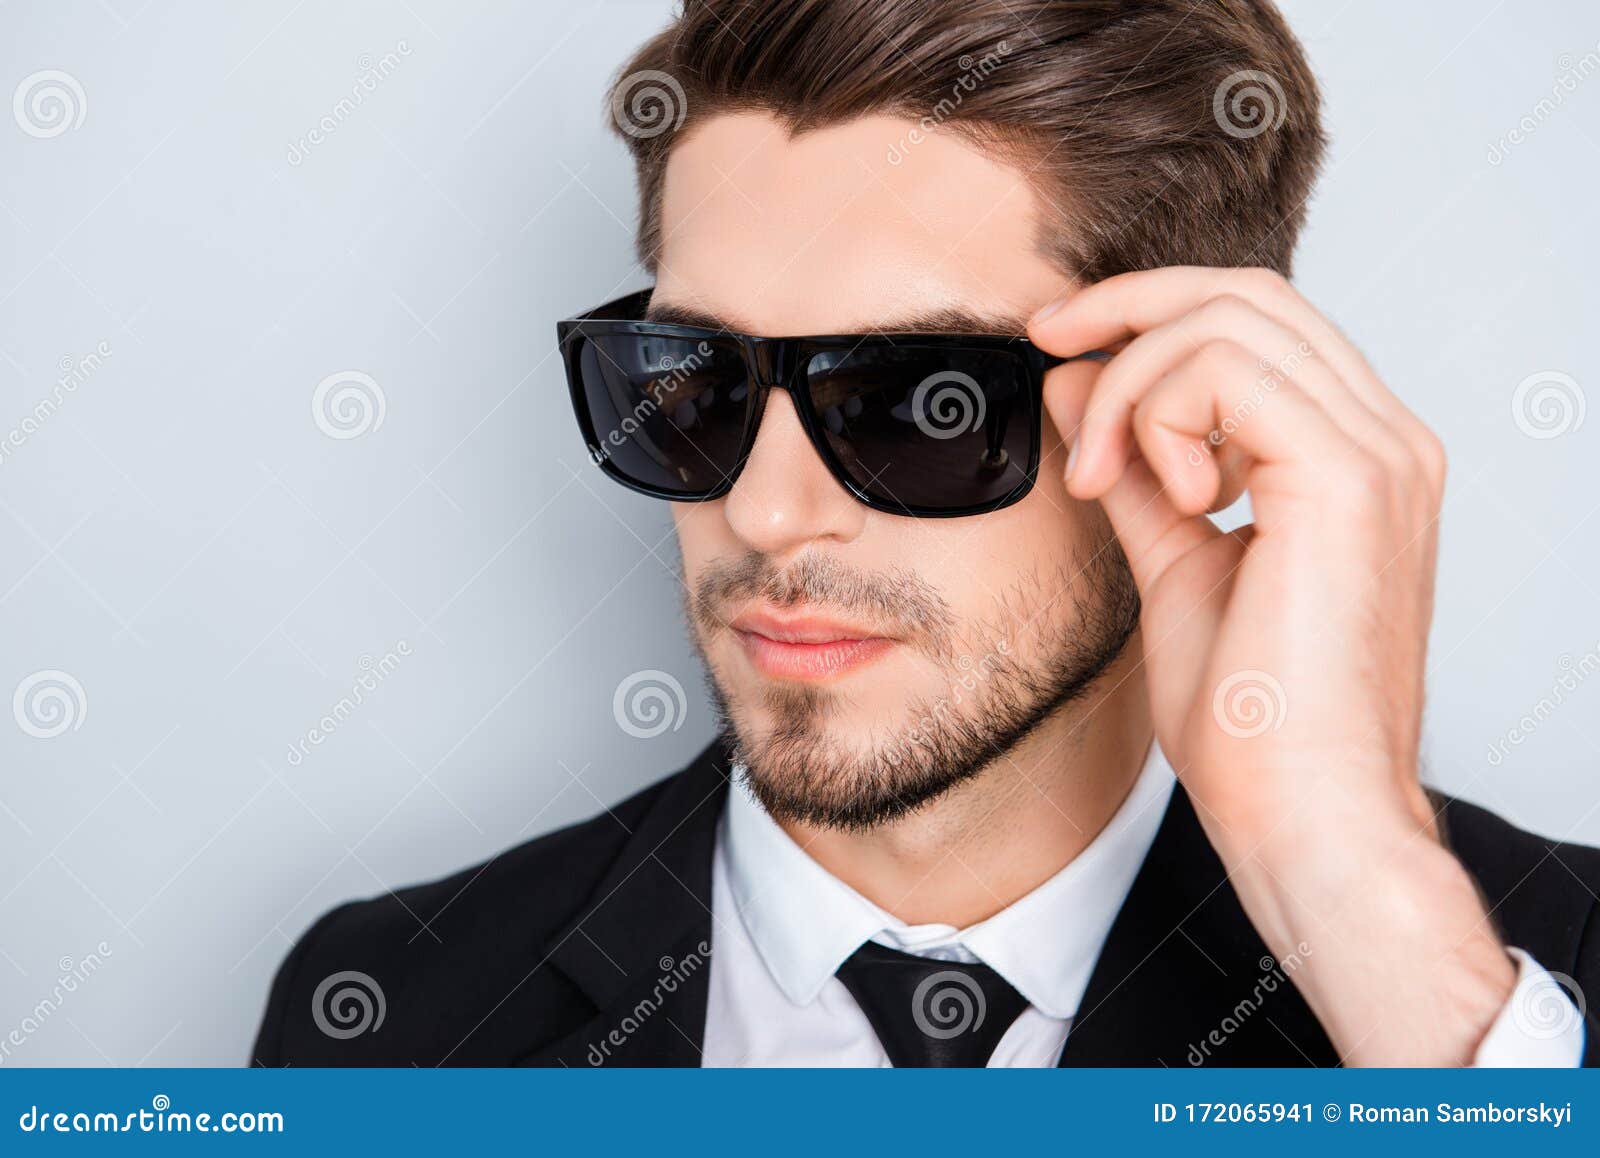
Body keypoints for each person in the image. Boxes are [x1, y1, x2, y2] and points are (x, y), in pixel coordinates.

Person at [253, 0, 1598, 1067]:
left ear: (1186, 419)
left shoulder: (1524, 998)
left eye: (911, 405)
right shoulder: (390, 1016)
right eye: (694, 383)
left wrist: (1355, 897)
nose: (766, 512)